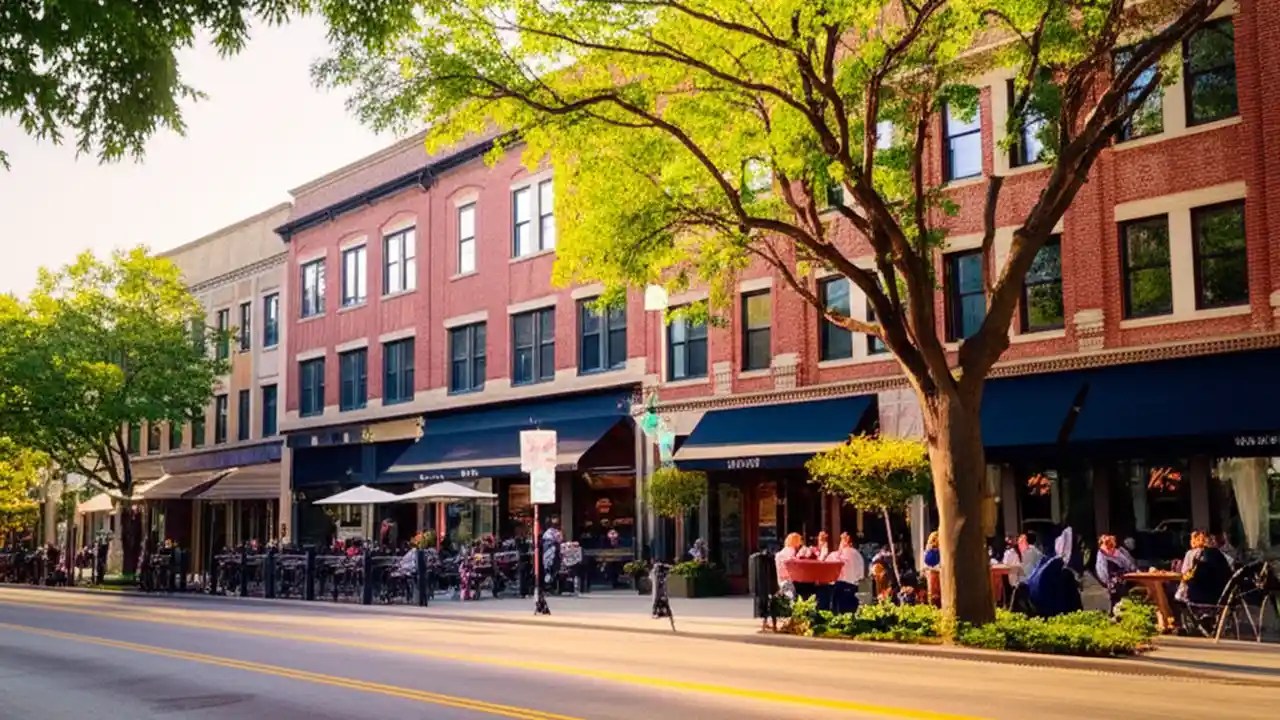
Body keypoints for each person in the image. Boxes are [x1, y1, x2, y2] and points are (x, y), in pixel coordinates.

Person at [1095, 533, 1137, 609]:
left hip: (1125, 580)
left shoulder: (1118, 552)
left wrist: (1134, 571)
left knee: (1126, 601)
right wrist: (1109, 582)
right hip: (1113, 583)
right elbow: (1102, 573)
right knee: (1116, 602)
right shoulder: (1101, 555)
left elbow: (1128, 563)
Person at [833, 532, 865, 613]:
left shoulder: (840, 554)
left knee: (840, 613)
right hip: (854, 587)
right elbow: (861, 575)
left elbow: (834, 567)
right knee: (852, 613)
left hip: (841, 586)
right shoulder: (859, 556)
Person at [775, 532, 803, 599]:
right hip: (788, 579)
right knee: (790, 598)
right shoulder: (791, 550)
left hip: (781, 579)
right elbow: (791, 562)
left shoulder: (783, 551)